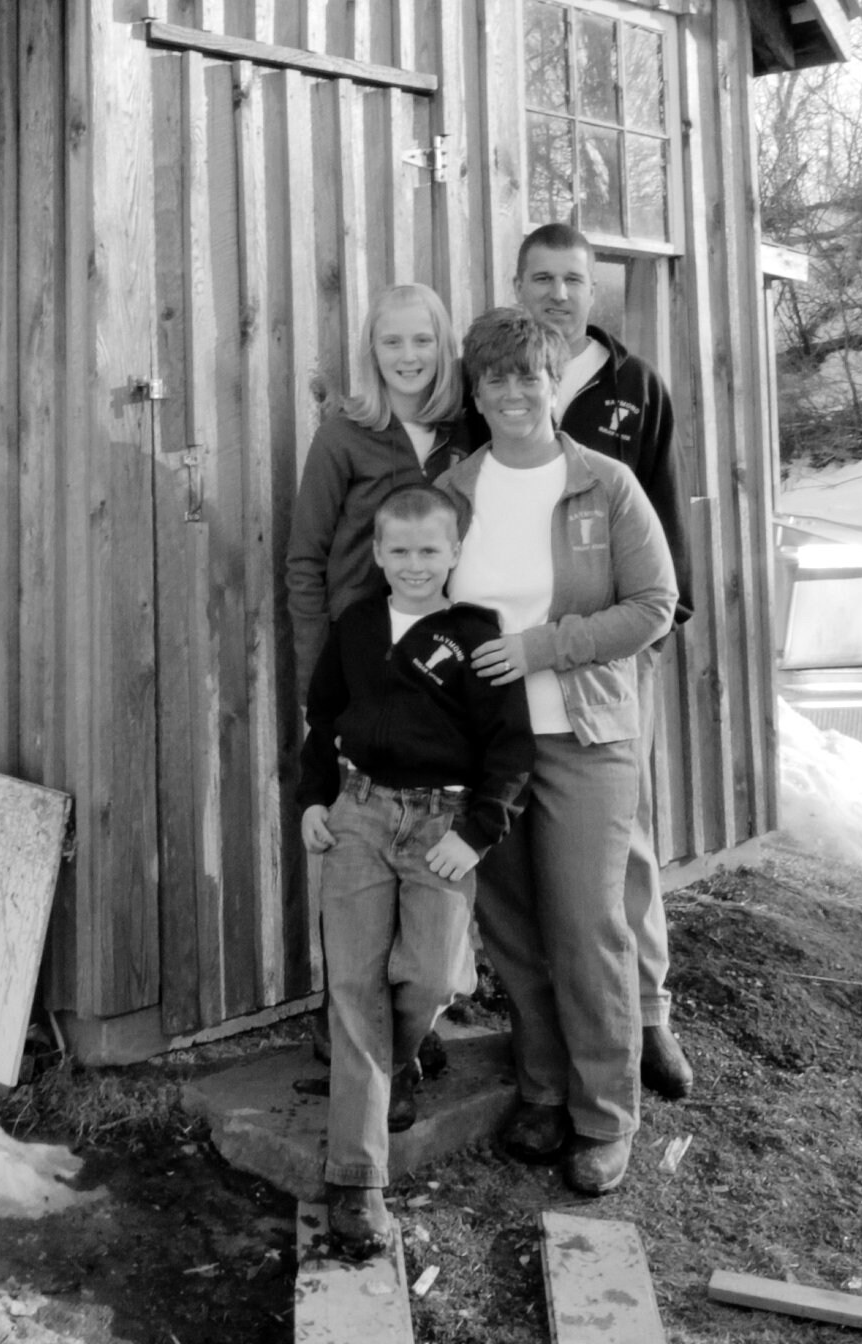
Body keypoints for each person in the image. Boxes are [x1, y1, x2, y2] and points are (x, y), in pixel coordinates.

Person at [436, 305, 676, 1196]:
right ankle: (540, 1091)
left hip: (585, 738)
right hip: (489, 750)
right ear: (476, 389)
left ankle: (606, 1117)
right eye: (493, 378)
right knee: (515, 930)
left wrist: (543, 645)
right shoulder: (457, 490)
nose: (511, 392)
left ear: (553, 382)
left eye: (527, 375)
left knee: (586, 926)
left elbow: (653, 606)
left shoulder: (604, 484)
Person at [465, 223, 699, 1102]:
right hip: (512, 679)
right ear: (517, 286)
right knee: (526, 885)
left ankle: (646, 1017)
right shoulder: (499, 376)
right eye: (541, 279)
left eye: (572, 279)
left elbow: (663, 525)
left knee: (616, 855)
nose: (557, 294)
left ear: (593, 291)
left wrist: (652, 634)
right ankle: (551, 1061)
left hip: (610, 654)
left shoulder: (632, 388)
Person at [294, 485, 533, 1259]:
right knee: (355, 983)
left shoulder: (476, 638)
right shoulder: (357, 626)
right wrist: (313, 798)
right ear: (378, 554)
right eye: (398, 551)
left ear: (455, 552)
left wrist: (477, 831)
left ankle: (397, 1058)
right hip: (359, 814)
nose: (413, 565)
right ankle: (358, 1181)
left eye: (430, 550)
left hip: (441, 826)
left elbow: (510, 749)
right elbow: (322, 718)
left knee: (430, 976)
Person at [286, 283, 466, 686]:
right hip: (359, 649)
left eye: (423, 340)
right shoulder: (341, 438)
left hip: (446, 649)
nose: (408, 356)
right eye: (391, 342)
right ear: (372, 351)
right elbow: (305, 561)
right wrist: (316, 674)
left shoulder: (467, 434)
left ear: (444, 347)